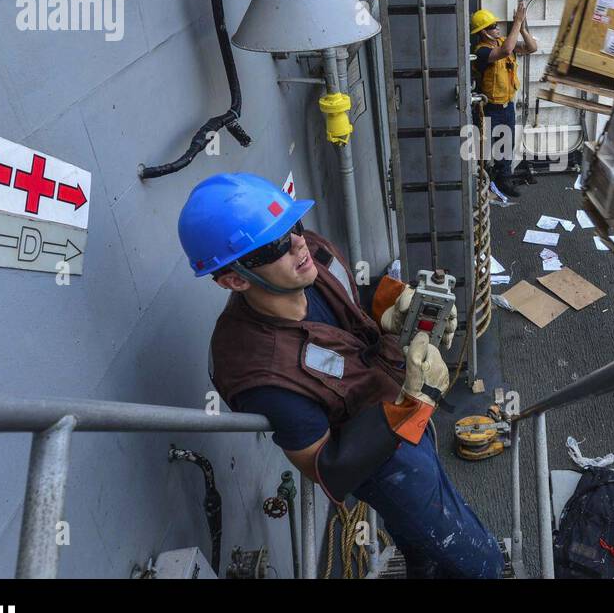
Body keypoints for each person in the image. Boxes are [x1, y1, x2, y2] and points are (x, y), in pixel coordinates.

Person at [178, 172, 503, 578]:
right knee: (481, 561)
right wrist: (416, 405)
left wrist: (392, 304)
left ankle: (422, 563)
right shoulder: (260, 371)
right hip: (383, 463)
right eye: (276, 244)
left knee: (423, 538)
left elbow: (352, 290)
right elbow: (325, 466)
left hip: (400, 403)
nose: (298, 243)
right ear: (235, 278)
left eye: (292, 226)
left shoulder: (310, 257)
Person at [470, 0, 538, 198]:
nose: (498, 28)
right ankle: (480, 179)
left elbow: (532, 48)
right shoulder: (481, 51)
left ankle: (503, 178)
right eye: (493, 26)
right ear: (484, 32)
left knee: (505, 145)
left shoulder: (502, 42)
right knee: (482, 147)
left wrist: (523, 28)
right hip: (489, 108)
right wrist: (516, 21)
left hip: (507, 107)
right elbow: (506, 51)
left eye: (498, 25)